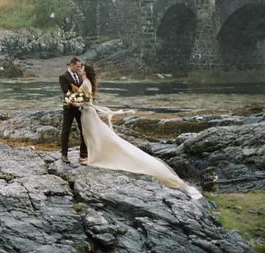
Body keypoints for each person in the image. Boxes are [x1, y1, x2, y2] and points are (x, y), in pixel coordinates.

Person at [78, 64, 202, 199]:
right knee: (90, 134)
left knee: (92, 135)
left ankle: (93, 158)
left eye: (82, 68)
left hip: (87, 112)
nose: (80, 69)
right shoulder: (88, 82)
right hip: (87, 111)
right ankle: (92, 155)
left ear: (85, 71)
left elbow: (84, 100)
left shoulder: (85, 83)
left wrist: (72, 102)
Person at [58, 57, 88, 164]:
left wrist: (83, 100)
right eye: (77, 66)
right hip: (69, 108)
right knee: (66, 130)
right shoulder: (63, 77)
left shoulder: (79, 77)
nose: (79, 68)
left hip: (79, 108)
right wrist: (79, 98)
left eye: (80, 67)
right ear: (71, 65)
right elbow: (66, 92)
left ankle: (83, 154)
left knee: (83, 130)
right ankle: (64, 154)